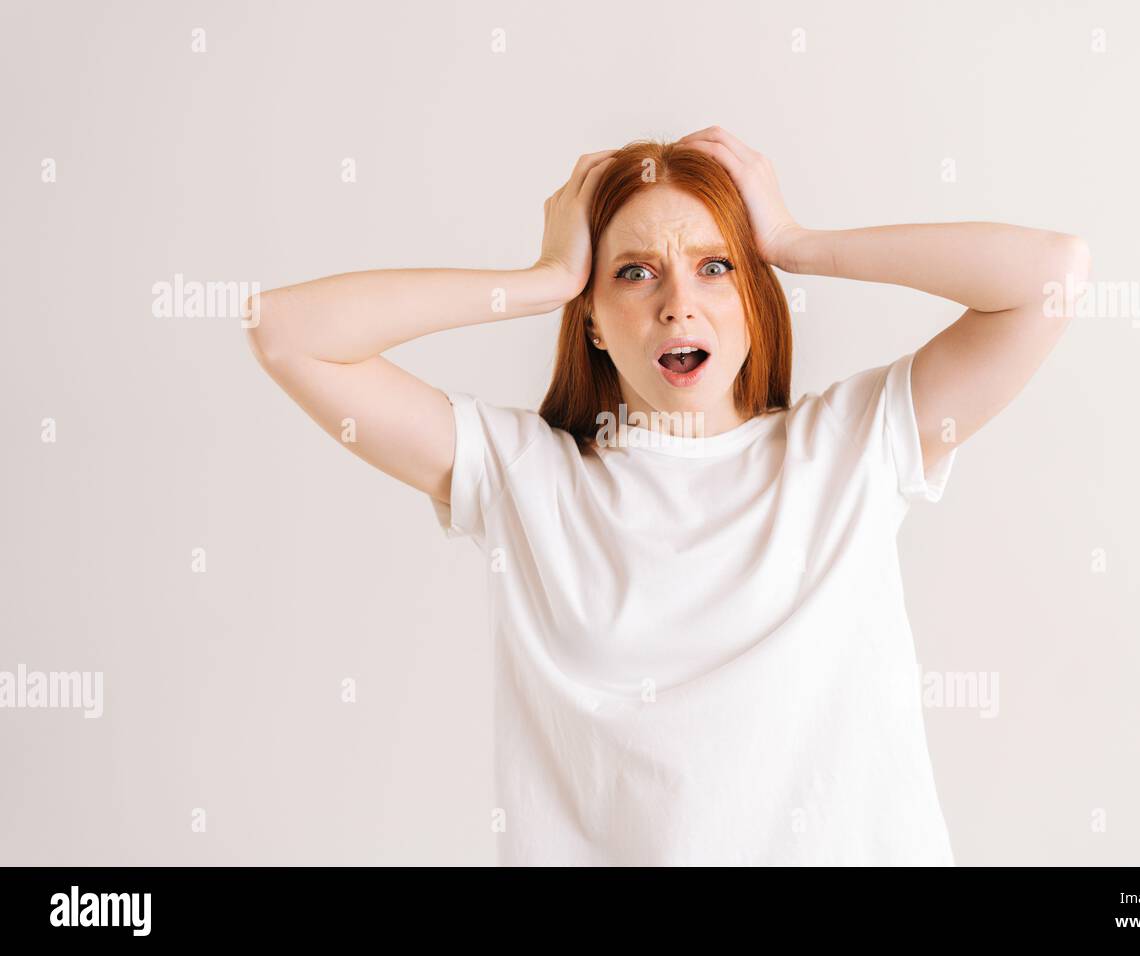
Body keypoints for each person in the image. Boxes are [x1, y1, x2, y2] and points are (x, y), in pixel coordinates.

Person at [245, 125, 1089, 865]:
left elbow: (1052, 273)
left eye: (716, 268)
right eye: (636, 273)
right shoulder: (524, 478)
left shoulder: (851, 449)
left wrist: (796, 242)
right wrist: (542, 278)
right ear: (592, 319)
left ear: (756, 303)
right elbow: (286, 332)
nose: (679, 303)